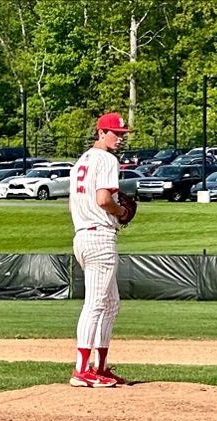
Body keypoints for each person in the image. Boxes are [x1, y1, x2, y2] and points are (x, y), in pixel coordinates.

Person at [67, 112, 135, 387]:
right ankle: (81, 371)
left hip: (82, 235)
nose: (119, 139)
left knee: (110, 304)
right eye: (115, 133)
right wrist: (121, 212)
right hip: (100, 237)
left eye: (121, 135)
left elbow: (72, 204)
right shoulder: (106, 159)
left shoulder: (80, 163)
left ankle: (101, 367)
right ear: (101, 133)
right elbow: (104, 198)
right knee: (95, 305)